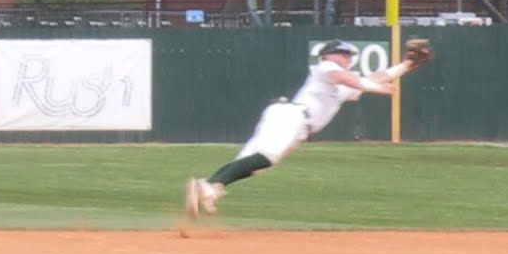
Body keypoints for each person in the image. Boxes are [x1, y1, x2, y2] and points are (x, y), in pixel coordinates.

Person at [184, 38, 432, 219]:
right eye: (342, 54)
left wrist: (407, 65)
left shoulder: (340, 87)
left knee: (253, 165)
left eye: (348, 55)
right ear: (327, 55)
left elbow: (374, 77)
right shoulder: (324, 68)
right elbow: (351, 79)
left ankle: (209, 186)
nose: (347, 58)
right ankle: (208, 186)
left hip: (295, 124)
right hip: (291, 117)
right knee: (266, 158)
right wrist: (373, 88)